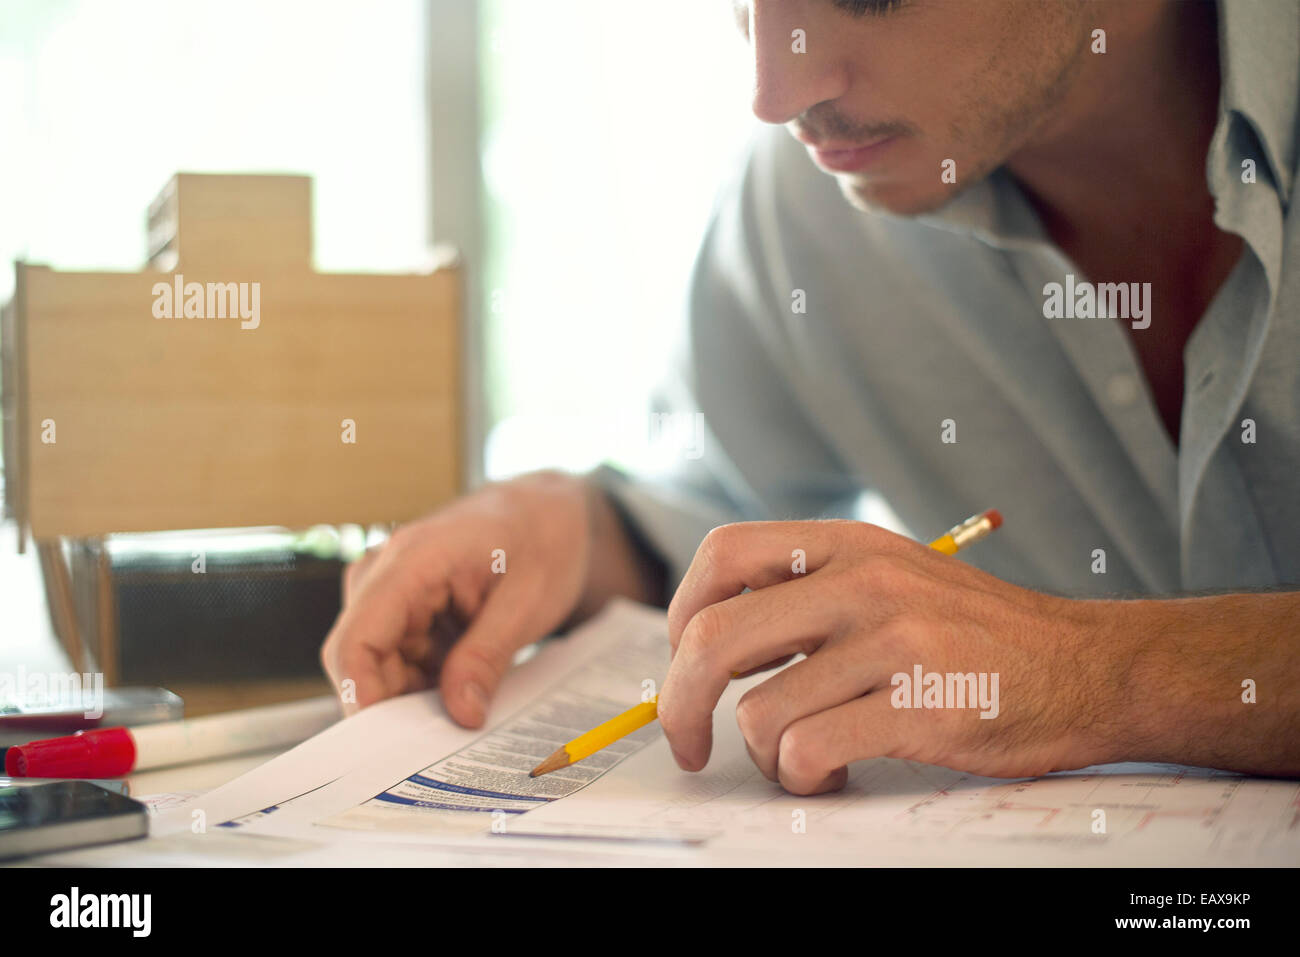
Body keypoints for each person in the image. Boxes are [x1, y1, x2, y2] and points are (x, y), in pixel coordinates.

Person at [321, 0, 1300, 793]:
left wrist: (1086, 671)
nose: (772, 90)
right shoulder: (812, 201)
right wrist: (567, 526)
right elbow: (714, 503)